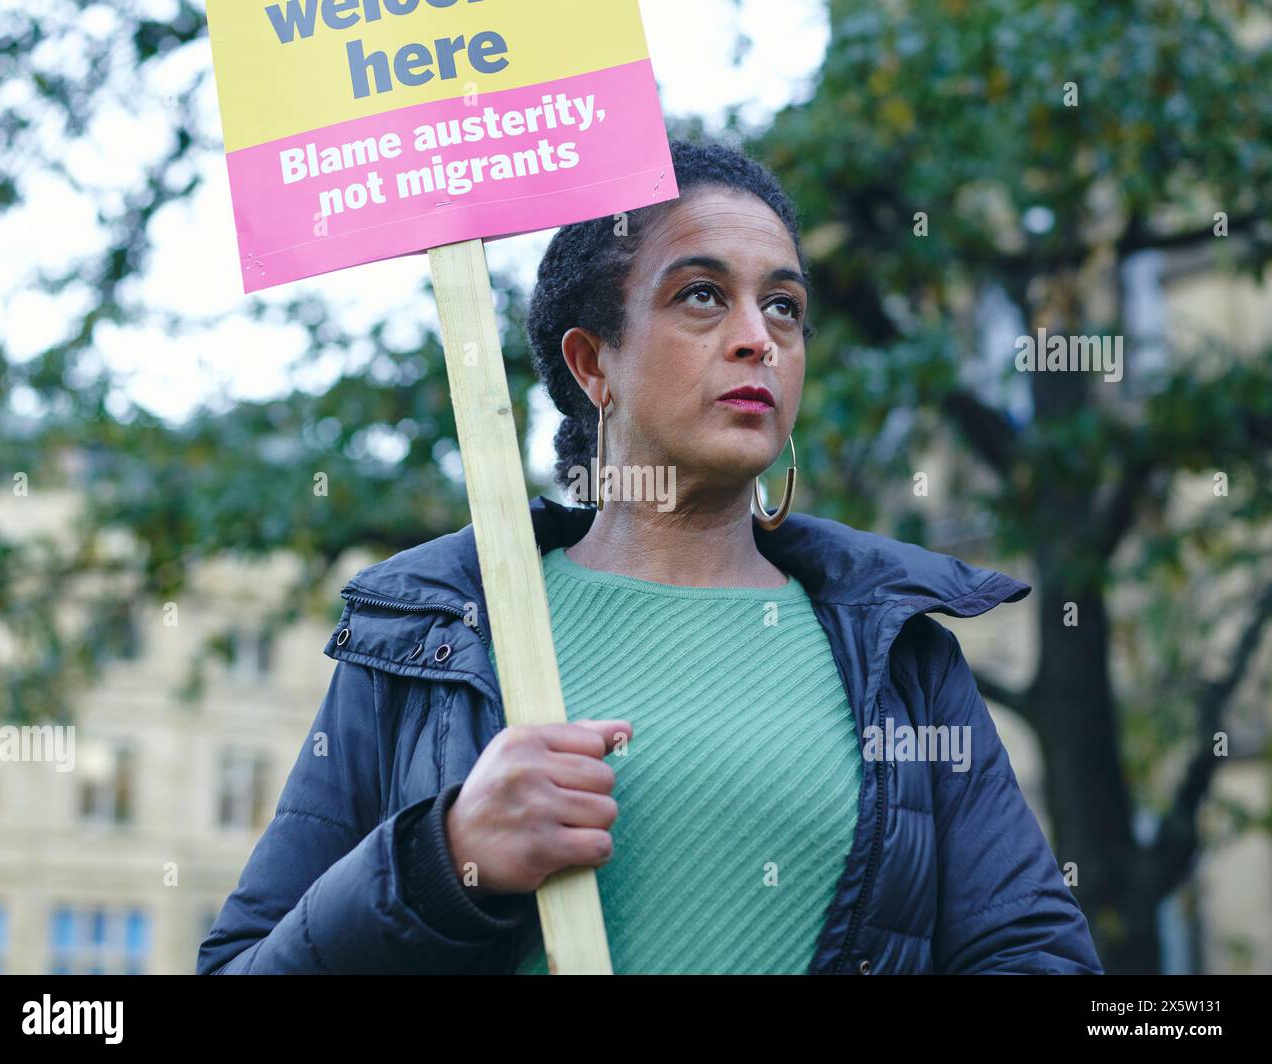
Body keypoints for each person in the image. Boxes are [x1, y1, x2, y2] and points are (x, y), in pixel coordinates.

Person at [197, 138, 1103, 975]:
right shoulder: (428, 637)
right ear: (593, 363)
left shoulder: (900, 651)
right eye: (702, 294)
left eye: (783, 306)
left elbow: (1032, 955)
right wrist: (445, 859)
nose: (759, 336)